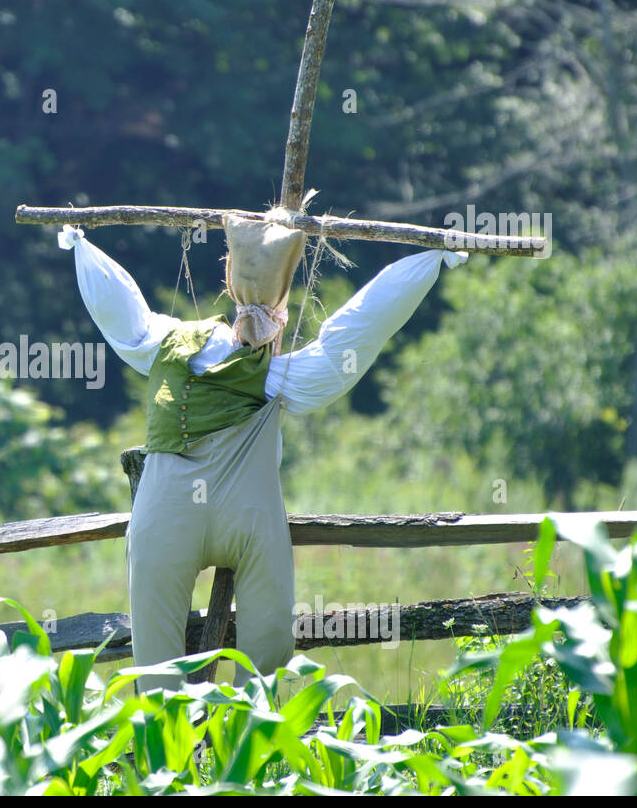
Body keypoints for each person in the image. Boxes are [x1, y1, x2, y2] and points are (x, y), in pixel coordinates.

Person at [57, 217, 468, 694]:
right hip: (250, 522)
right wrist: (427, 261)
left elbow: (119, 311)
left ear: (228, 278)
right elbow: (359, 328)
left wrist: (83, 250)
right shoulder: (278, 374)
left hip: (164, 521)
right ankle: (254, 744)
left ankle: (163, 755)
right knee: (266, 657)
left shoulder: (162, 344)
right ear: (281, 304)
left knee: (156, 663)